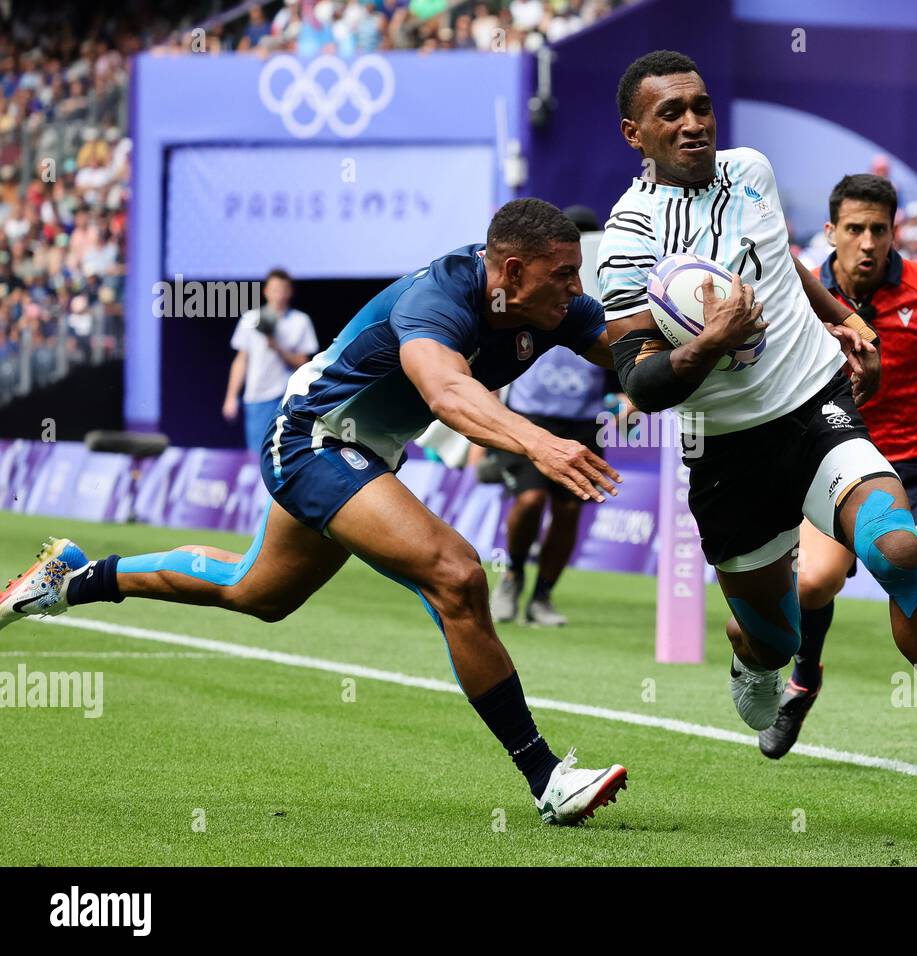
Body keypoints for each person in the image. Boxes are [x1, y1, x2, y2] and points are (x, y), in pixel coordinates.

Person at [2, 200, 628, 826]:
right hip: (312, 437)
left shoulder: (550, 306)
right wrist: (541, 442)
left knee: (256, 592)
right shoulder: (439, 298)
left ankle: (72, 581)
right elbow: (447, 392)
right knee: (457, 574)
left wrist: (713, 334)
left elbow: (632, 350)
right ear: (513, 272)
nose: (578, 289)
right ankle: (547, 778)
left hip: (364, 450)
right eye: (565, 275)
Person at [597, 49, 917, 824]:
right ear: (636, 133)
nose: (694, 122)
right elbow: (639, 379)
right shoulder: (628, 236)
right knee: (771, 634)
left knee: (899, 549)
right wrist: (710, 341)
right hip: (725, 447)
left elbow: (780, 258)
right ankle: (756, 659)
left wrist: (841, 317)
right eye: (672, 113)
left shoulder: (752, 170)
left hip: (814, 406)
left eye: (701, 106)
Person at [759, 174, 917, 764]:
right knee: (813, 582)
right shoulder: (795, 292)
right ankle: (804, 678)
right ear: (830, 233)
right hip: (830, 458)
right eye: (854, 229)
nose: (867, 242)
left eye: (879, 229)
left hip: (916, 465)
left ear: (894, 232)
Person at [490, 205, 617, 626]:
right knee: (530, 499)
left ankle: (542, 597)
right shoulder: (536, 287)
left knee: (568, 512)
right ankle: (511, 576)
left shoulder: (600, 286)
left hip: (583, 417)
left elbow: (618, 349)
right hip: (529, 414)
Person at [223, 268, 318, 453]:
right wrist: (231, 397)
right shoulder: (250, 319)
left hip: (287, 397)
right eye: (274, 289)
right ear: (266, 291)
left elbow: (305, 364)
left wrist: (279, 348)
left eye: (283, 289)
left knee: (287, 450)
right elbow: (241, 360)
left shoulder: (300, 321)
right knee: (258, 453)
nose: (279, 294)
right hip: (257, 396)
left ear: (290, 292)